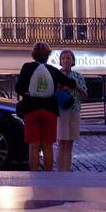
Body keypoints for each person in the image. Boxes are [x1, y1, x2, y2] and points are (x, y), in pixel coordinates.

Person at [14, 42, 78, 173]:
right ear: (48, 55)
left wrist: (28, 93)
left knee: (33, 146)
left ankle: (34, 176)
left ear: (33, 54)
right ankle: (48, 177)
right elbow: (71, 83)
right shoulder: (52, 70)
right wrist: (60, 87)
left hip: (31, 110)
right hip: (49, 110)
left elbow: (18, 88)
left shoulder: (26, 67)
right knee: (48, 146)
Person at [54, 48, 88, 173]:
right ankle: (60, 171)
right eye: (63, 58)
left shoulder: (78, 76)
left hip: (74, 110)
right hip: (61, 111)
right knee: (61, 141)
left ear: (73, 60)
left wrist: (77, 87)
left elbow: (85, 95)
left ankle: (66, 170)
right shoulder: (56, 75)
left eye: (68, 58)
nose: (65, 60)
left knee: (70, 142)